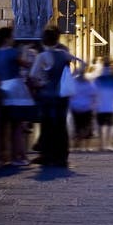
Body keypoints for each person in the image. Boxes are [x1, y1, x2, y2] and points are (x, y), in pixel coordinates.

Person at [29, 26, 84, 167]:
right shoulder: (64, 54)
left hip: (47, 95)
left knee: (47, 125)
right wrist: (73, 76)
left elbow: (33, 76)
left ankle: (48, 155)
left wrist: (42, 83)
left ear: (44, 41)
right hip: (62, 95)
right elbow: (83, 64)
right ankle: (62, 155)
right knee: (61, 125)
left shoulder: (42, 56)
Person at [0, 27, 35, 165]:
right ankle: (19, 156)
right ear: (7, 38)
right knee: (17, 126)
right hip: (16, 89)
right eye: (12, 36)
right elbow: (27, 65)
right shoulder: (13, 52)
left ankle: (4, 157)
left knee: (4, 126)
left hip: (3, 88)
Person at [94, 59, 113, 151]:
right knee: (110, 126)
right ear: (110, 66)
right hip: (111, 107)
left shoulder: (99, 78)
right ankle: (108, 144)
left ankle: (102, 145)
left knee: (101, 126)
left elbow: (94, 92)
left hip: (100, 106)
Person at [69, 66, 97, 152]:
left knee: (77, 126)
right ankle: (86, 147)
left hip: (75, 107)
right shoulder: (88, 83)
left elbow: (70, 94)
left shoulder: (73, 82)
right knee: (87, 126)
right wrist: (94, 106)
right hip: (86, 107)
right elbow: (93, 95)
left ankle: (77, 146)